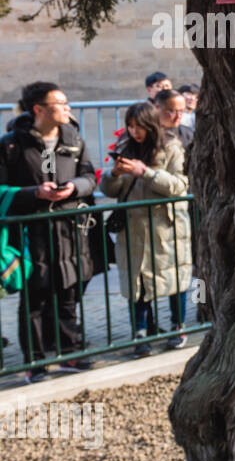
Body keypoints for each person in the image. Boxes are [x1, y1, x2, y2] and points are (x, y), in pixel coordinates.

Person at [1, 83, 102, 379]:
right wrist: (35, 193)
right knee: (35, 298)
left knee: (68, 293)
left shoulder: (73, 139)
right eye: (60, 103)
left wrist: (74, 188)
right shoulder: (11, 145)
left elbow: (89, 176)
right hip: (32, 233)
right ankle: (36, 362)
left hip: (69, 229)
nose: (67, 107)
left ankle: (71, 352)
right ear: (39, 109)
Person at [99, 103, 192, 355]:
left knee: (173, 277)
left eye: (138, 126)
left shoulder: (171, 147)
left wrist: (146, 173)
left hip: (165, 227)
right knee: (136, 281)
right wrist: (114, 174)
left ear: (150, 125)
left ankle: (177, 326)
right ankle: (140, 332)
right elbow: (110, 190)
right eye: (130, 126)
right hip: (133, 227)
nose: (133, 131)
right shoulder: (124, 147)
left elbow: (179, 185)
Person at [155, 88, 194, 153]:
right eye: (172, 111)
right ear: (156, 108)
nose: (178, 116)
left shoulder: (188, 135)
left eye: (181, 111)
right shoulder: (143, 133)